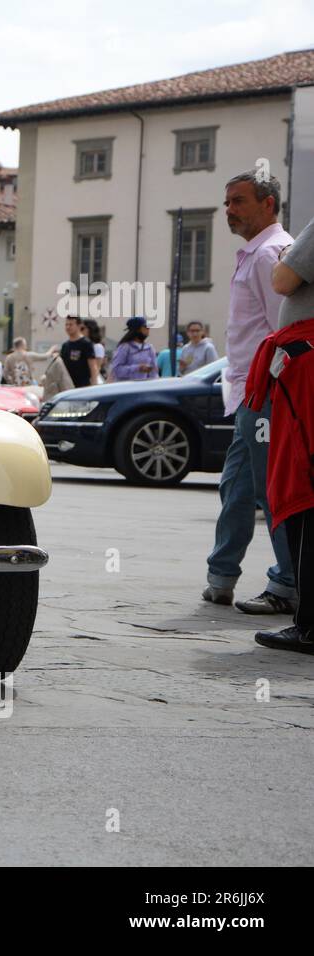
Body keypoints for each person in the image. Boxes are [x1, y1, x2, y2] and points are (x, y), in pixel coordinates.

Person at [203, 170, 296, 616]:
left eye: (239, 201)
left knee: (272, 491)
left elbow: (284, 330)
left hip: (264, 393)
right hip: (248, 393)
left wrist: (271, 391)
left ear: (268, 205)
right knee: (237, 487)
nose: (229, 211)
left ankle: (289, 583)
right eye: (227, 203)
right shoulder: (256, 253)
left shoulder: (269, 255)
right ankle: (221, 576)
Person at [253, 215, 314, 653]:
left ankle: (310, 626)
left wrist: (282, 261)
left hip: (307, 365)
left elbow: (284, 279)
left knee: (303, 490)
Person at [110, 317, 159, 381]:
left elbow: (154, 372)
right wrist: (137, 368)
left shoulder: (150, 348)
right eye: (146, 327)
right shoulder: (124, 347)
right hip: (126, 389)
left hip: (144, 389)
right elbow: (116, 370)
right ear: (137, 329)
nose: (148, 329)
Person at [58, 315, 100, 389]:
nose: (68, 327)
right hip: (67, 387)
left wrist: (94, 386)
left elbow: (93, 367)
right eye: (66, 325)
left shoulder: (86, 343)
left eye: (71, 324)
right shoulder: (65, 345)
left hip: (83, 387)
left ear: (79, 326)